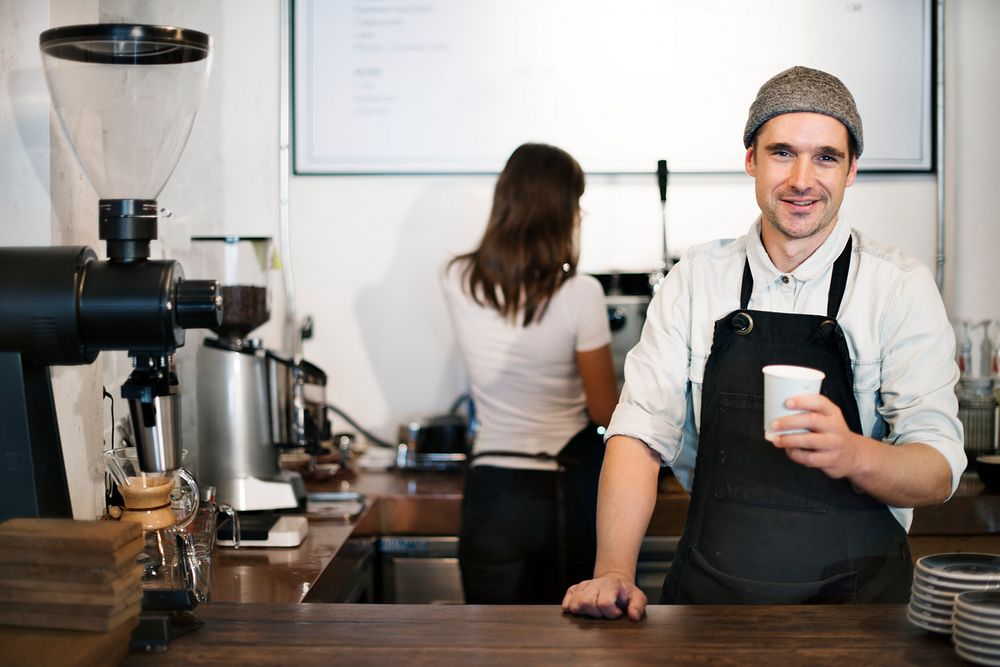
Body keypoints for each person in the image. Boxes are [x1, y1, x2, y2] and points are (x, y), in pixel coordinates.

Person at [562, 66, 965, 619]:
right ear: (750, 159)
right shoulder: (696, 279)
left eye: (826, 156)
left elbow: (938, 468)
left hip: (861, 610)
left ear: (852, 171)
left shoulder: (897, 287)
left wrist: (853, 453)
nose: (802, 178)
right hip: (711, 605)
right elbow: (637, 434)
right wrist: (612, 571)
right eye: (782, 153)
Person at [441, 142, 619, 604]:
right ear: (562, 211)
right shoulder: (581, 294)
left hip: (490, 493)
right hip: (558, 494)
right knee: (562, 648)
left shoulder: (457, 277)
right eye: (576, 204)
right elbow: (605, 410)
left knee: (492, 649)